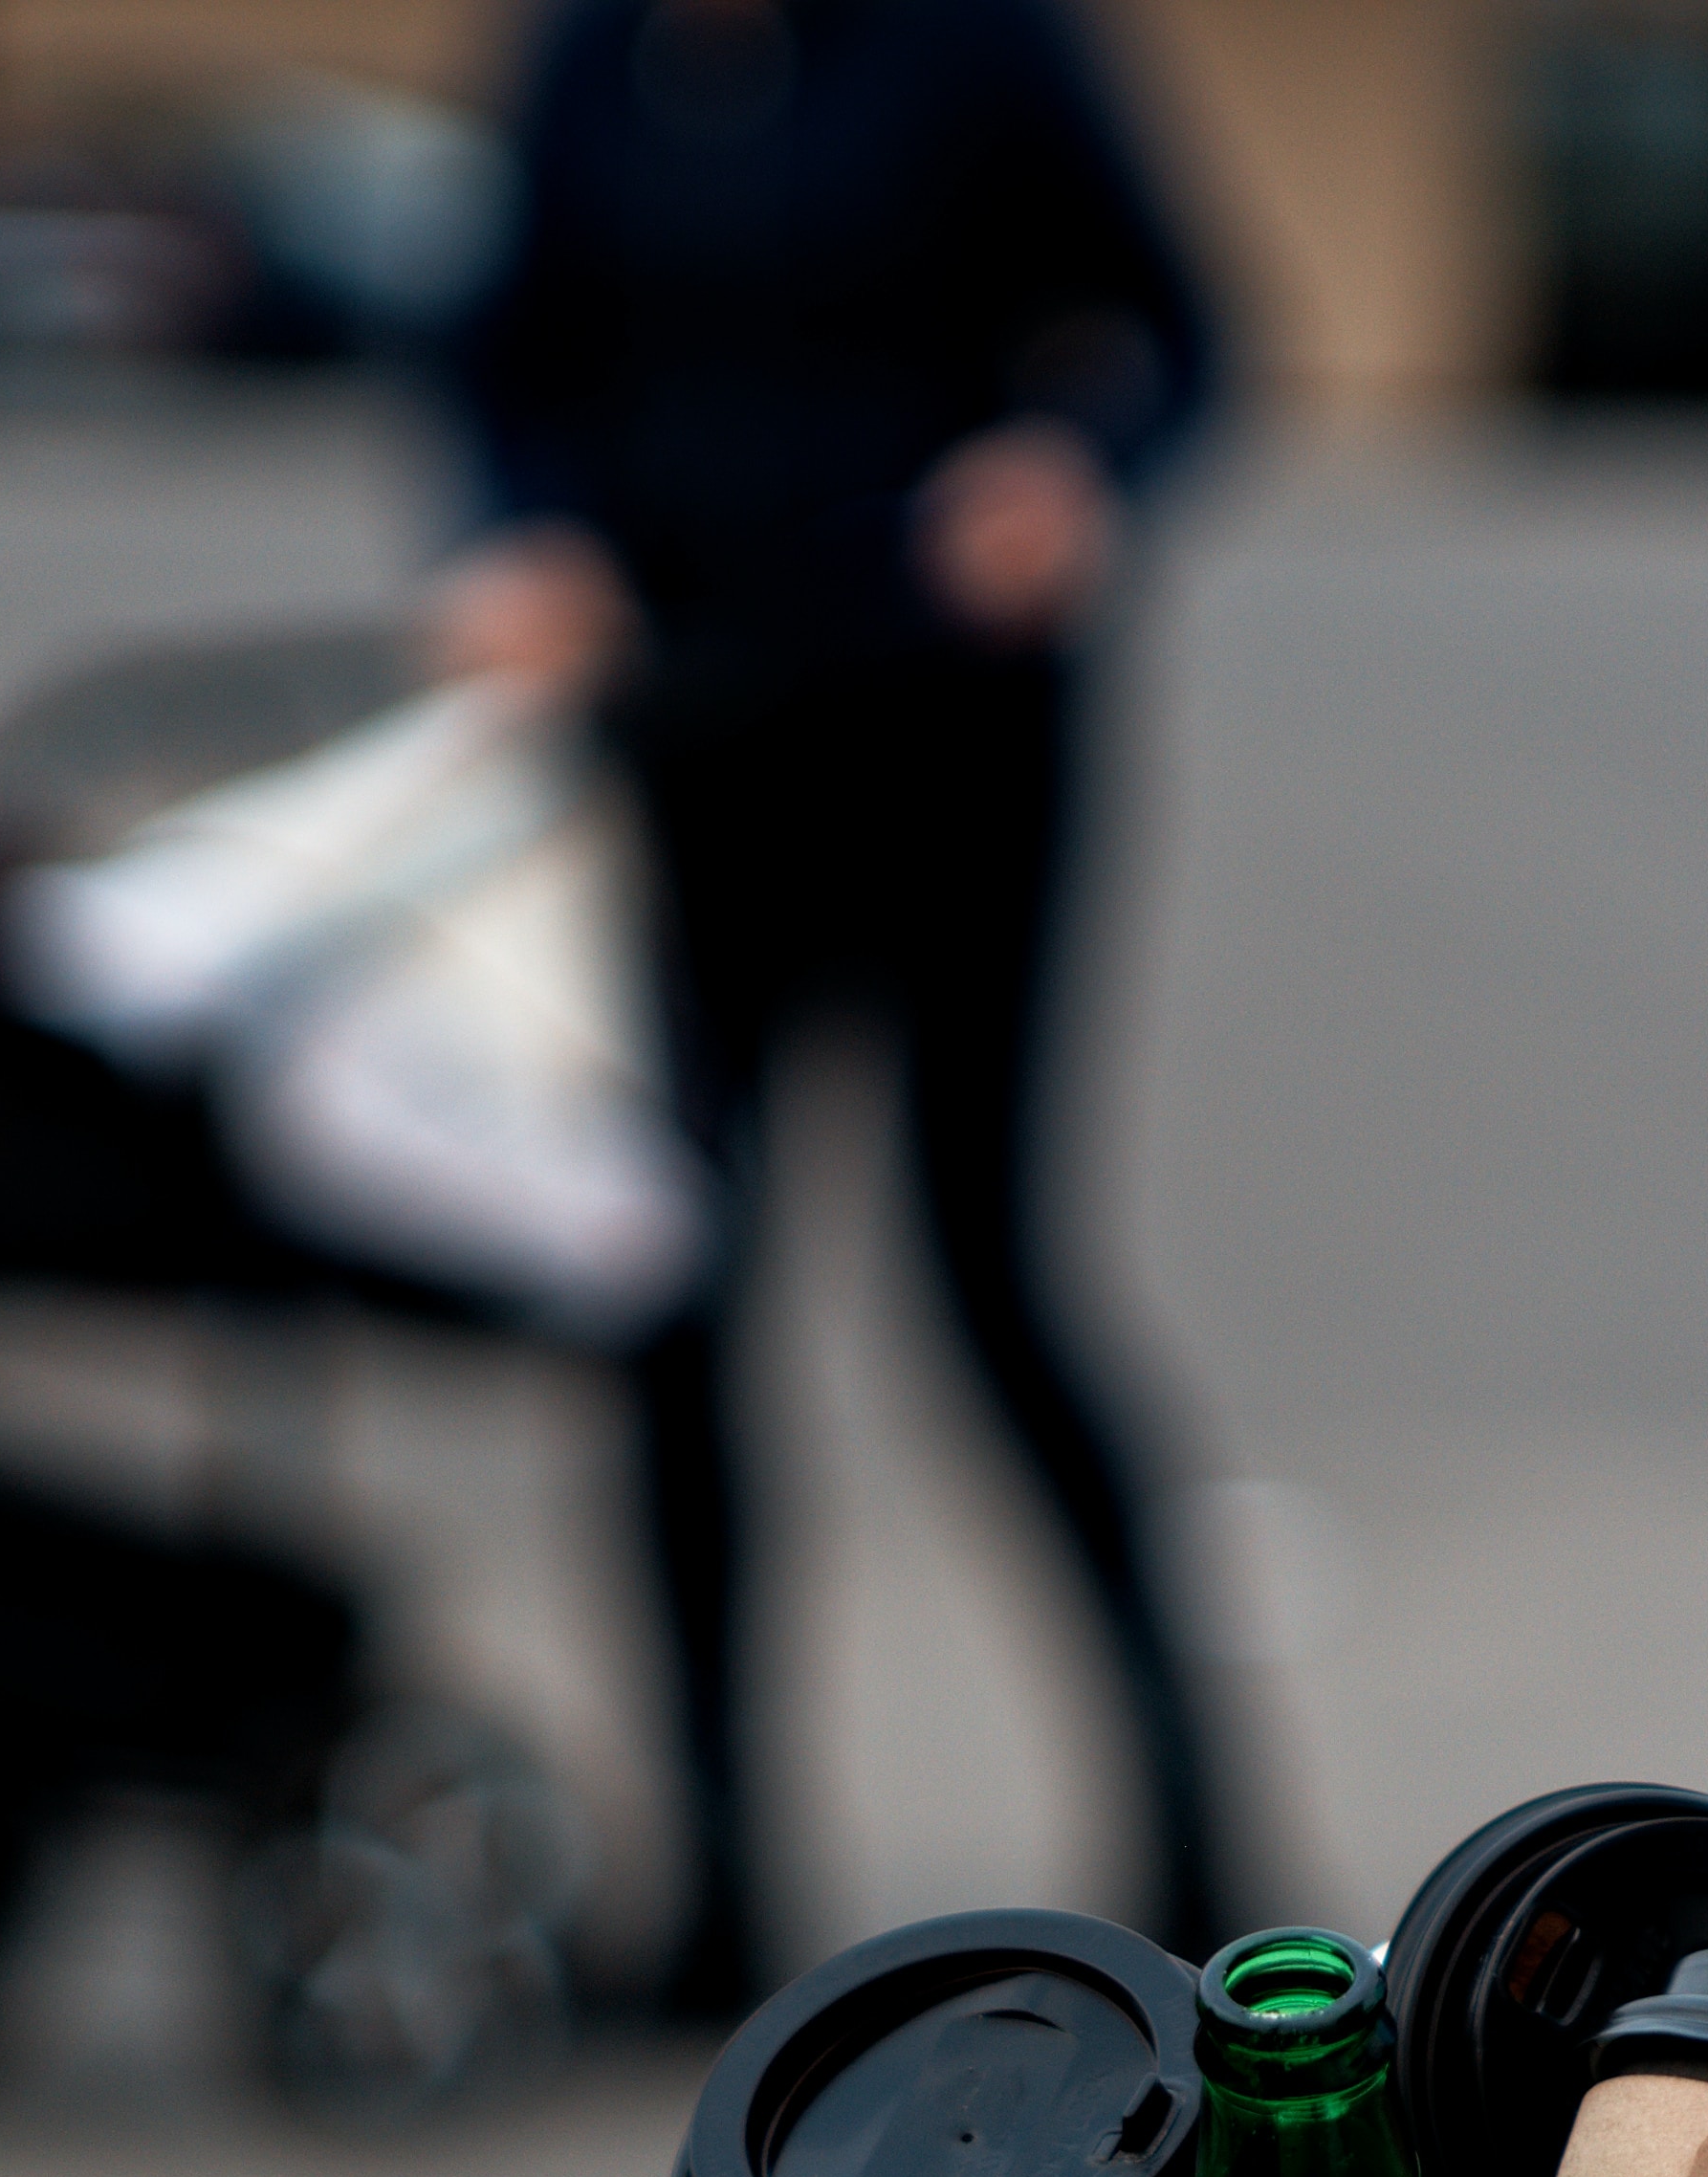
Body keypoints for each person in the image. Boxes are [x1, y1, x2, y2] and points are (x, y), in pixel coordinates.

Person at [434, 0, 1240, 2012]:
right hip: (685, 754)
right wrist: (514, 536)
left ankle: (1196, 1842)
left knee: (987, 1284)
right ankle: (718, 1884)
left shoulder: (980, 46)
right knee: (670, 1297)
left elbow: (1186, 334)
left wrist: (1069, 469)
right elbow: (499, 353)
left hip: (949, 747)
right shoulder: (585, 61)